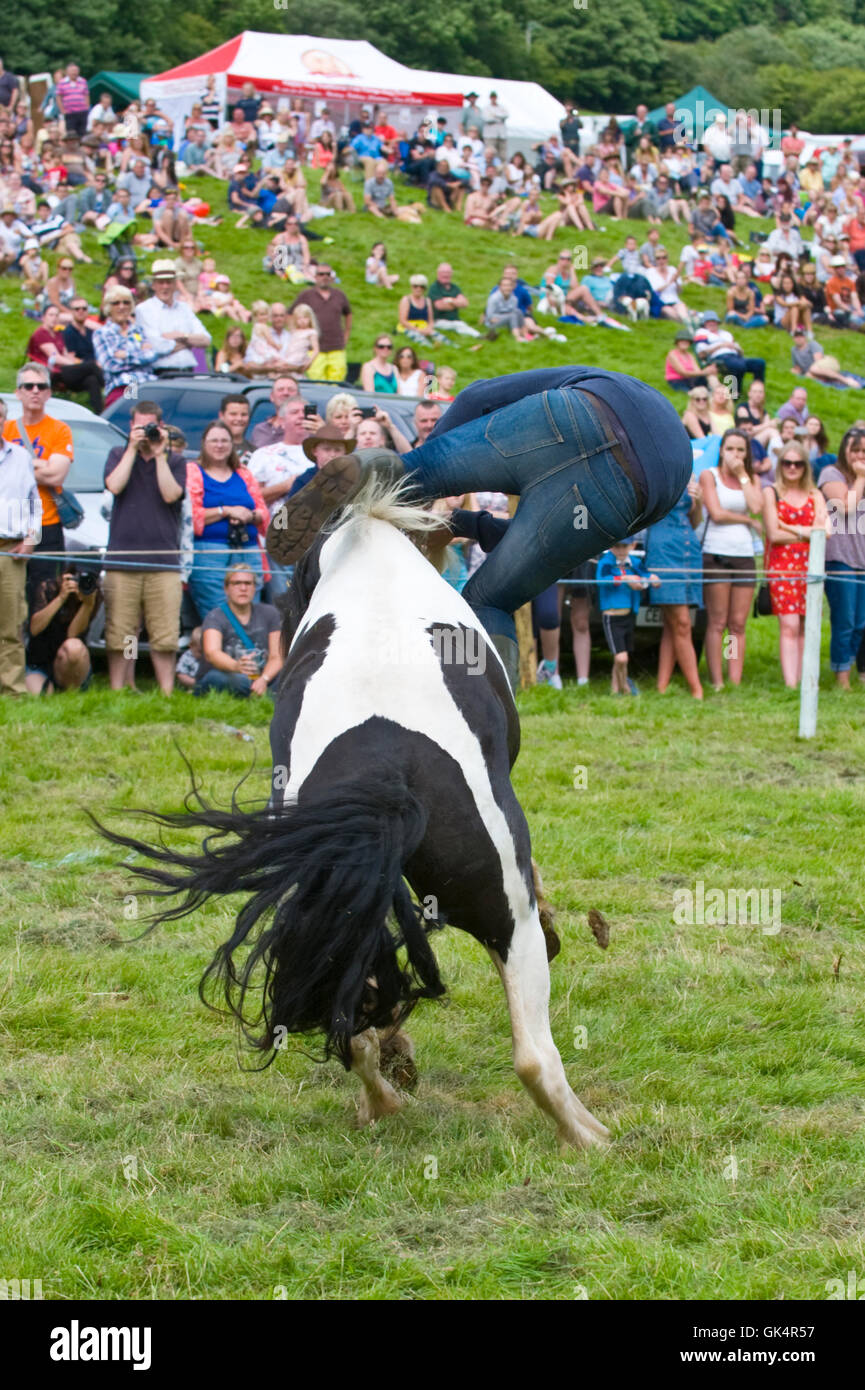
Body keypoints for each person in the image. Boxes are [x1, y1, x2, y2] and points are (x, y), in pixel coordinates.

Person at [268, 366, 694, 688]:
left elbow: (476, 395)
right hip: (642, 488)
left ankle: (379, 475)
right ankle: (483, 709)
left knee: (410, 471)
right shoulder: (650, 428)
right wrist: (466, 523)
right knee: (492, 599)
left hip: (577, 413)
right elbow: (540, 547)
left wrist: (429, 484)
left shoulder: (592, 377)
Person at [102, 401, 187, 695]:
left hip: (163, 561)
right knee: (123, 634)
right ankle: (121, 688)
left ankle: (166, 692)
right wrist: (131, 449)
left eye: (151, 426)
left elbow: (171, 494)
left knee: (164, 633)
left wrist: (161, 454)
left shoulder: (175, 461)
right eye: (140, 426)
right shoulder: (117, 454)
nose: (146, 431)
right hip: (122, 561)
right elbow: (114, 486)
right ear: (131, 426)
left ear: (161, 427)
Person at [2, 363, 74, 599]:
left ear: (49, 393)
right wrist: (42, 463)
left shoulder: (59, 429)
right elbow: (48, 469)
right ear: (18, 392)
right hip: (11, 528)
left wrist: (19, 465)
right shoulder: (7, 428)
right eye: (28, 386)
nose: (35, 391)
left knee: (44, 596)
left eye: (41, 386)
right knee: (11, 600)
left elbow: (56, 475)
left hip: (47, 524)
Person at [699, 428, 763, 690]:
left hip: (744, 555)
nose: (735, 454)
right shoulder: (709, 476)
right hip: (716, 553)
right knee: (717, 621)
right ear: (721, 450)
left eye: (740, 450)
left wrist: (742, 477)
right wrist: (747, 520)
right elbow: (716, 513)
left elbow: (758, 506)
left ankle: (734, 678)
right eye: (730, 449)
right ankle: (716, 680)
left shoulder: (750, 478)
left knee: (737, 623)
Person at [186, 420, 268, 620]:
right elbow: (190, 517)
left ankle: (248, 651)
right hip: (210, 553)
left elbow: (263, 513)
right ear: (204, 444)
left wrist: (249, 515)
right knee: (217, 615)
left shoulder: (243, 474)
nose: (219, 445)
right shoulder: (194, 472)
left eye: (224, 440)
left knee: (249, 612)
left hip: (248, 551)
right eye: (214, 440)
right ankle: (219, 651)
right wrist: (226, 511)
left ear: (232, 445)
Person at [762, 442, 827, 688]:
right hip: (783, 566)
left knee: (805, 624)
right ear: (780, 466)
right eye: (787, 463)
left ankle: (804, 680)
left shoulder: (815, 494)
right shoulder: (772, 492)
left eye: (797, 463)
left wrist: (790, 527)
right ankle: (791, 683)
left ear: (805, 467)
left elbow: (826, 531)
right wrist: (807, 533)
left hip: (811, 566)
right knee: (789, 624)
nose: (792, 467)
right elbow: (773, 534)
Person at [645, 471, 703, 698]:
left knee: (672, 626)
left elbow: (695, 521)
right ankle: (696, 689)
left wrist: (698, 501)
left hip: (688, 549)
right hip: (662, 550)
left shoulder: (690, 474)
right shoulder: (653, 474)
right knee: (682, 623)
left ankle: (662, 686)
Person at [0, 397, 41, 696]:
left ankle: (12, 691)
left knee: (11, 625)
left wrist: (30, 540)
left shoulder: (21, 457)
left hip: (10, 550)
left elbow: (35, 506)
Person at [194, 563, 282, 700]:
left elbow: (278, 656)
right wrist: (236, 666)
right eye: (237, 583)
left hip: (263, 675)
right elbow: (212, 653)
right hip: (226, 673)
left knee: (290, 675)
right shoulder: (214, 616)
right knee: (234, 681)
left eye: (248, 583)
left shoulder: (270, 613)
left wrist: (264, 679)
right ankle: (265, 696)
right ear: (226, 589)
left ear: (255, 588)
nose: (243, 588)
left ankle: (261, 693)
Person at [820, 426, 865, 689]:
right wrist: (860, 478)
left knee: (861, 622)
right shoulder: (831, 473)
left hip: (862, 559)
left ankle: (847, 667)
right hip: (839, 558)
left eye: (864, 451)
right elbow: (845, 507)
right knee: (845, 620)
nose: (860, 456)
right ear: (844, 451)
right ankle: (842, 679)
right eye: (856, 450)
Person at [596, 539, 660, 695]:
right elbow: (601, 580)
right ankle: (625, 685)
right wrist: (624, 579)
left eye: (624, 546)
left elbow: (645, 575)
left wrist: (652, 579)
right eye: (617, 546)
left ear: (632, 545)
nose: (621, 550)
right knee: (621, 658)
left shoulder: (635, 562)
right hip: (612, 616)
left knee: (621, 654)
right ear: (611, 546)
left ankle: (615, 689)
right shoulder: (606, 562)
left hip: (629, 615)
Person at [25, 566, 99, 694]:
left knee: (74, 648)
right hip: (40, 660)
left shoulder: (92, 593)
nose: (82, 582)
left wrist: (88, 605)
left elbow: (72, 635)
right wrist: (60, 598)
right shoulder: (49, 587)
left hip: (71, 663)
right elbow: (34, 629)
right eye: (78, 578)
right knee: (41, 694)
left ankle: (70, 689)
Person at [26, 304, 104, 413]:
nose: (54, 318)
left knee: (92, 380)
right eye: (51, 315)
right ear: (43, 317)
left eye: (56, 315)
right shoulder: (41, 334)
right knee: (91, 366)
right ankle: (109, 385)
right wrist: (77, 365)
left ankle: (101, 413)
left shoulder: (58, 334)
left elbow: (66, 354)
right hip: (52, 373)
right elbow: (55, 357)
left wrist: (77, 364)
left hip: (64, 372)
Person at [135, 259, 211, 370]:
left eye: (169, 282)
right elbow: (157, 347)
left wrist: (181, 335)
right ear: (153, 285)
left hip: (188, 371)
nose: (165, 286)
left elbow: (206, 339)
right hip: (162, 372)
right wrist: (189, 342)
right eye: (161, 282)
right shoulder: (144, 309)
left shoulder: (184, 308)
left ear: (175, 285)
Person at [288, 266, 351, 381]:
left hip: (337, 347)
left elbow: (348, 313)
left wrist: (346, 334)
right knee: (316, 382)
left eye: (328, 274)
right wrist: (295, 333)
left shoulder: (339, 295)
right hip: (314, 349)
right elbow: (290, 313)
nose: (325, 277)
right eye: (321, 274)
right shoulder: (306, 295)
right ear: (315, 277)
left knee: (337, 381)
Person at [429, 262, 481, 338]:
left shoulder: (455, 288)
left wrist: (450, 300)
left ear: (451, 274)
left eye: (448, 272)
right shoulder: (434, 288)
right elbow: (439, 305)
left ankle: (480, 336)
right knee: (458, 325)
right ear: (438, 273)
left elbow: (465, 303)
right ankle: (479, 336)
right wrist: (456, 303)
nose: (446, 275)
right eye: (443, 272)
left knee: (459, 324)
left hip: (455, 320)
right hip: (438, 320)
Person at [218, 394, 253, 464]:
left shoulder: (255, 452)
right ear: (221, 416)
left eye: (244, 414)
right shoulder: (215, 448)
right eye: (233, 414)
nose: (239, 418)